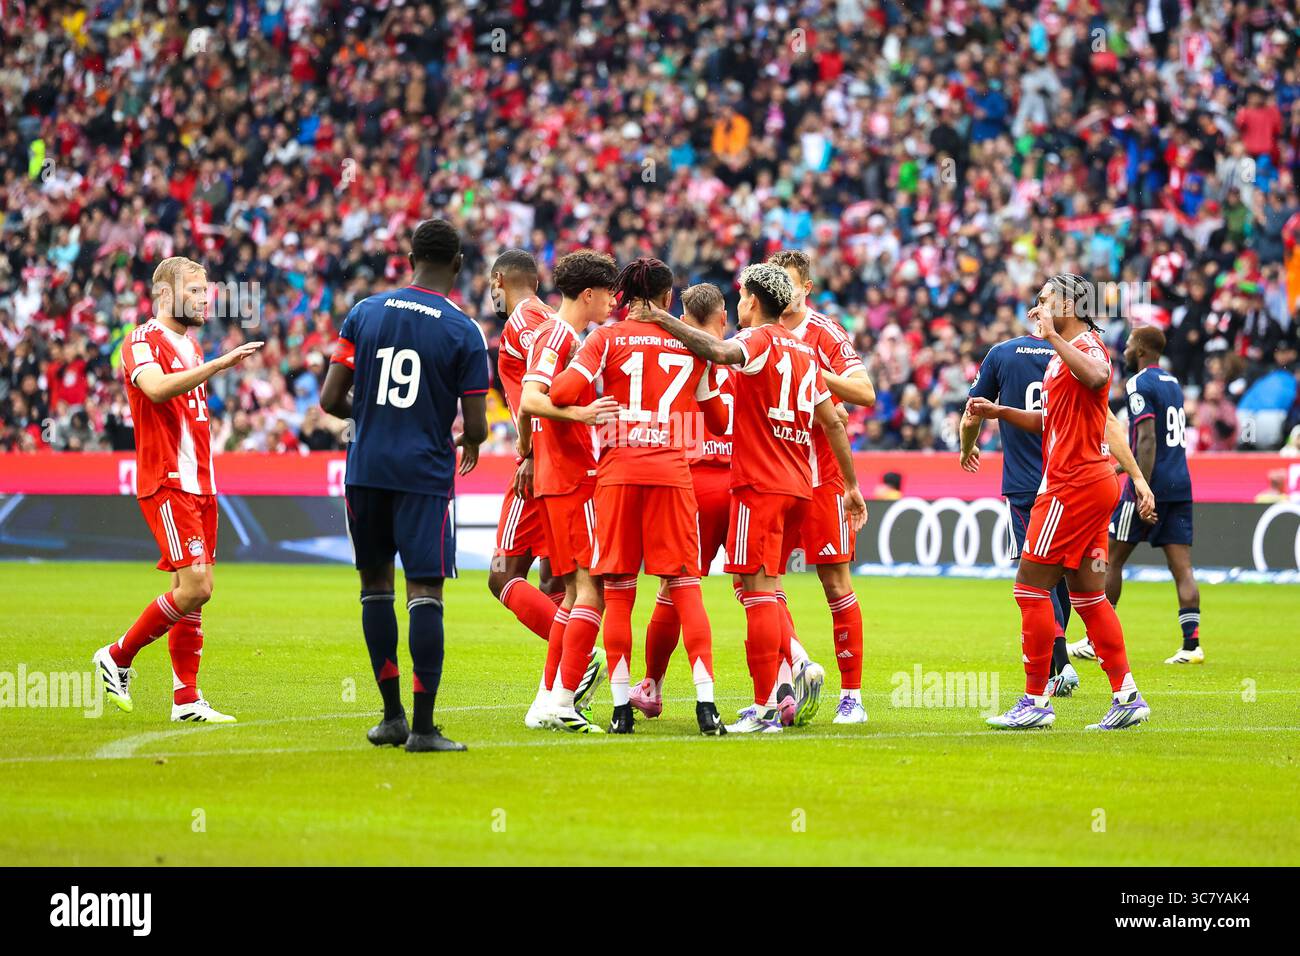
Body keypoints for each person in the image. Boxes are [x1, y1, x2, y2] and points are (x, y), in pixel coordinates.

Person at [640, 263, 866, 733]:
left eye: (742, 297)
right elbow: (834, 422)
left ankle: (766, 709)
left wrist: (662, 319)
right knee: (766, 590)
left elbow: (719, 350)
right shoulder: (805, 352)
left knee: (757, 593)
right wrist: (851, 485)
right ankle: (783, 685)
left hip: (758, 488)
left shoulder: (759, 341)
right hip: (799, 487)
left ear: (753, 303)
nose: (738, 303)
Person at [319, 219, 489, 753]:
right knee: (425, 594)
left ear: (408, 256)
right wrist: (459, 437)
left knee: (374, 588)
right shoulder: (463, 331)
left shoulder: (364, 313)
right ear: (458, 266)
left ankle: (390, 716)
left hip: (365, 469)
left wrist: (370, 418)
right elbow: (477, 426)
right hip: (423, 475)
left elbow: (329, 400)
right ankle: (422, 728)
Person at [966, 274, 1157, 731]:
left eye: (1046, 299)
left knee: (1029, 588)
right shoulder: (1060, 358)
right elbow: (1050, 421)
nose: (1038, 306)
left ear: (1069, 304)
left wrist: (1051, 334)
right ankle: (1126, 694)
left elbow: (1097, 377)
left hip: (1070, 487)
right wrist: (999, 412)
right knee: (1090, 597)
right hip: (1092, 484)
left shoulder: (1086, 348)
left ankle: (1035, 701)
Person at [548, 258, 728, 735]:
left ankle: (620, 709)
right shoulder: (692, 347)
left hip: (618, 473)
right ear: (669, 299)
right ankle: (706, 705)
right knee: (686, 586)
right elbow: (719, 423)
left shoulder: (604, 339)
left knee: (620, 591)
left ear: (624, 295)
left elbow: (563, 392)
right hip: (672, 473)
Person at [93, 256, 264, 722]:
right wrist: (220, 364)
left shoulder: (190, 345)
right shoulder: (140, 341)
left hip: (200, 484)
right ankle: (118, 655)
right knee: (196, 587)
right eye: (194, 291)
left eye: (206, 291)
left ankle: (186, 700)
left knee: (189, 589)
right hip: (166, 479)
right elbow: (154, 389)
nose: (205, 299)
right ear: (166, 296)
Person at [770, 250, 877, 724]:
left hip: (821, 477)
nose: (781, 291)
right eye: (774, 282)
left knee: (835, 583)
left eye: (789, 283)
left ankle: (852, 698)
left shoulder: (824, 333)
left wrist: (813, 373)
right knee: (755, 581)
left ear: (807, 287)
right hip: (772, 475)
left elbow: (865, 393)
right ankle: (794, 665)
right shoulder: (757, 334)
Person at [517, 250, 621, 733]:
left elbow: (524, 409)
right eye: (607, 293)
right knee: (590, 592)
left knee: (570, 593)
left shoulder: (552, 334)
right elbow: (532, 399)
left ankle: (546, 701)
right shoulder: (559, 334)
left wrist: (527, 450)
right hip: (573, 478)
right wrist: (578, 416)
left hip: (555, 478)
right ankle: (561, 703)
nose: (613, 301)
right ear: (588, 294)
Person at [627, 283, 734, 721]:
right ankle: (790, 673)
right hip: (745, 481)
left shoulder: (671, 350)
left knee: (674, 588)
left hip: (691, 480)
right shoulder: (746, 349)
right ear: (723, 317)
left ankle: (651, 686)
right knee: (762, 589)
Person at [961, 324, 1081, 697]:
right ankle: (1059, 665)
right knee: (1061, 576)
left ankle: (1060, 666)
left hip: (1025, 485)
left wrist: (967, 447)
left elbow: (973, 411)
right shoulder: (1072, 354)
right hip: (1069, 478)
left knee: (1034, 579)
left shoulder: (1002, 353)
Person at [1102, 325, 1203, 664]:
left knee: (1111, 558)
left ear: (1142, 349)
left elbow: (1147, 439)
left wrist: (1138, 484)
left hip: (1150, 483)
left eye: (1130, 344)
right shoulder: (1173, 382)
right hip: (1180, 482)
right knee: (1183, 568)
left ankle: (1096, 638)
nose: (1126, 349)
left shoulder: (1138, 383)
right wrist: (1119, 467)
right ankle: (1192, 647)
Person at [485, 250, 567, 646]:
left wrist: (532, 453)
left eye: (490, 287)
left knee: (502, 575)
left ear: (499, 280)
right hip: (564, 459)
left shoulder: (523, 321)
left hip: (540, 460)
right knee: (553, 578)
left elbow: (542, 381)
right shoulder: (553, 318)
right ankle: (564, 684)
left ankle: (580, 658)